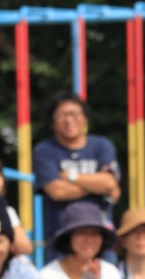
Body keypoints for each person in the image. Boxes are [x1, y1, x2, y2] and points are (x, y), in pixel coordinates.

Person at [34, 92, 120, 254]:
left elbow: (109, 183)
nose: (69, 120)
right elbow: (57, 192)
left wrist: (72, 177)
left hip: (101, 238)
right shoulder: (44, 150)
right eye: (61, 115)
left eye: (74, 113)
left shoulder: (102, 145)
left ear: (85, 118)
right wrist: (97, 186)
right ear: (52, 122)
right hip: (60, 239)